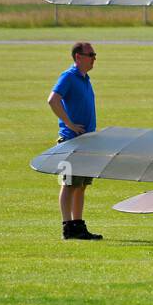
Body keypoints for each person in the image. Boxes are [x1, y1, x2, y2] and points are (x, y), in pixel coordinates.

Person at [47, 42, 102, 240]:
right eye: (91, 54)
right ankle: (67, 226)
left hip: (86, 141)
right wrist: (69, 124)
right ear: (78, 57)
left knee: (81, 185)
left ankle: (78, 225)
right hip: (71, 141)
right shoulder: (68, 77)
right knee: (69, 183)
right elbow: (52, 100)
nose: (94, 58)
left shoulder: (85, 79)